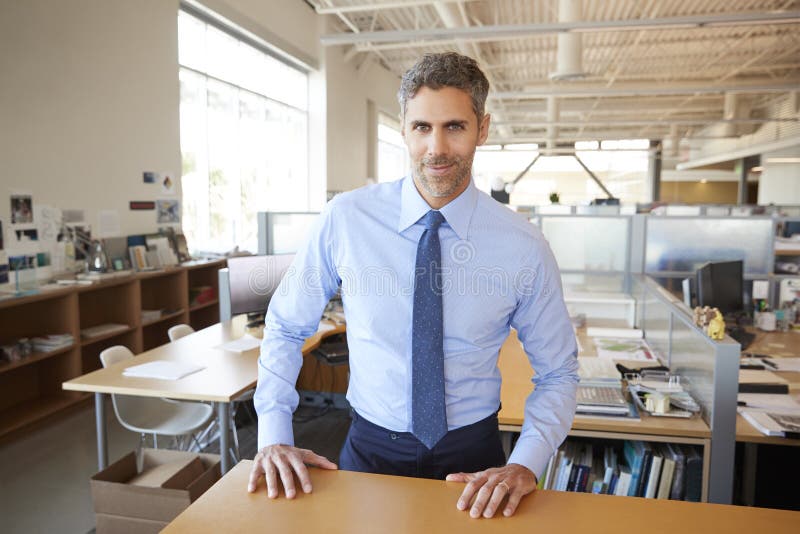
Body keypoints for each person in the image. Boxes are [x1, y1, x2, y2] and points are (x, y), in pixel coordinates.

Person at [248, 52, 578, 519]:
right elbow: (284, 327)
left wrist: (526, 464)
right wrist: (275, 436)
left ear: (482, 129)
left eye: (455, 127)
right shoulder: (346, 219)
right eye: (422, 127)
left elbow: (559, 372)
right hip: (369, 450)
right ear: (403, 128)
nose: (437, 148)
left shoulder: (523, 246)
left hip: (475, 462)